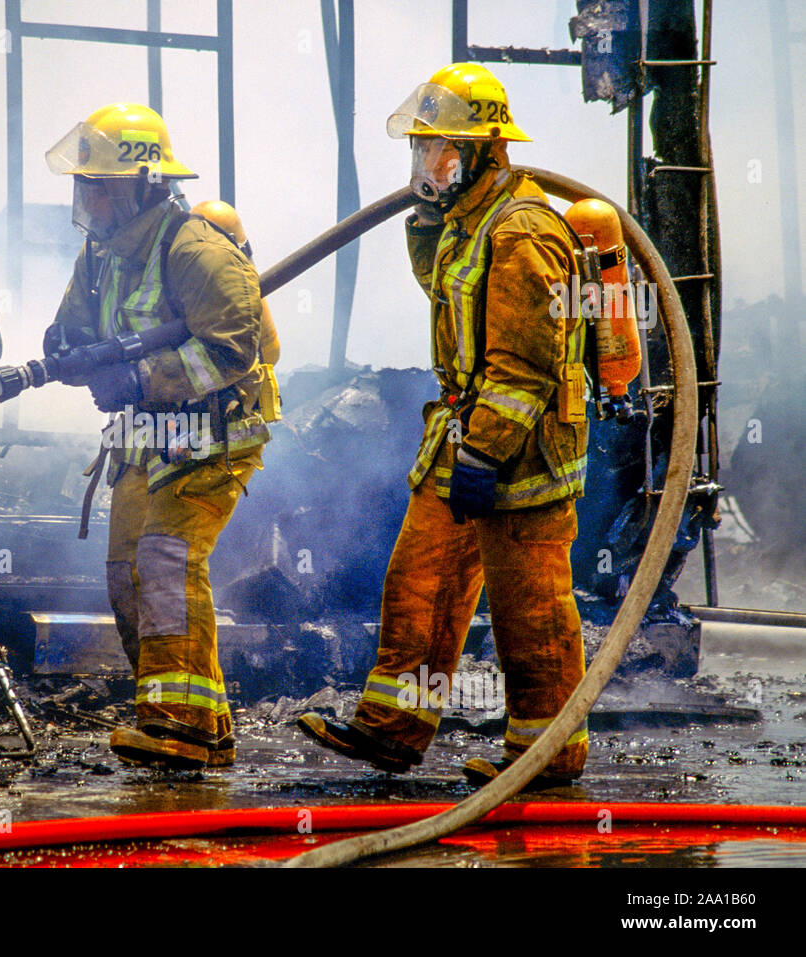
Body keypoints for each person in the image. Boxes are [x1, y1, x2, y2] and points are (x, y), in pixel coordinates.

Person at [297, 63, 591, 789]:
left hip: (521, 453)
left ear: (484, 149)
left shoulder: (522, 231)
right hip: (464, 436)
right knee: (419, 580)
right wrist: (429, 213)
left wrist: (485, 456)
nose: (426, 164)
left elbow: (525, 371)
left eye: (440, 150)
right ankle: (395, 726)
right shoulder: (469, 220)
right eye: (422, 151)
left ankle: (548, 751)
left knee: (529, 605)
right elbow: (443, 287)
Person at [42, 103, 276, 770]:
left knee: (167, 565)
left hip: (214, 438)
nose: (88, 199)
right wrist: (61, 346)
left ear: (143, 183)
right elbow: (78, 327)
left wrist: (142, 378)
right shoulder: (102, 253)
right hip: (146, 442)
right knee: (126, 578)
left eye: (100, 185)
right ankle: (206, 726)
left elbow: (232, 353)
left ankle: (174, 725)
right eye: (82, 184)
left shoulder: (197, 250)